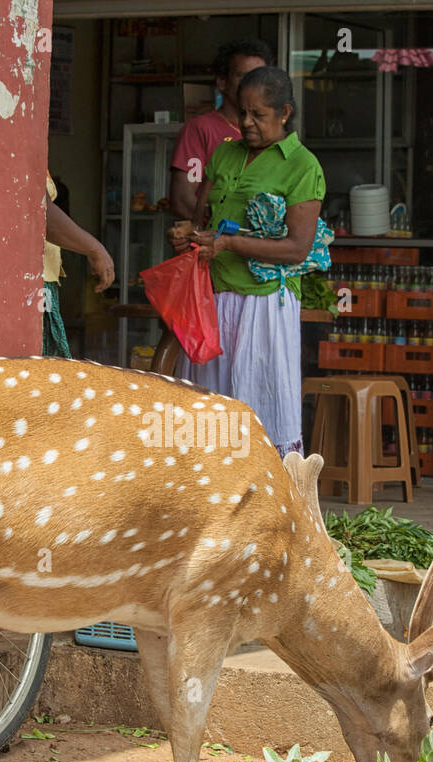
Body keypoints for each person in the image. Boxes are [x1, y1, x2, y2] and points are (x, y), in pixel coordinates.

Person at [167, 66, 326, 457]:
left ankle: (266, 498)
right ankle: (209, 498)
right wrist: (189, 232)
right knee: (210, 404)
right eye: (243, 112)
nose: (247, 123)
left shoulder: (302, 166)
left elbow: (296, 249)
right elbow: (204, 219)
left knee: (258, 402)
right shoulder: (225, 153)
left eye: (259, 115)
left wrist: (229, 244)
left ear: (284, 113)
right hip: (214, 297)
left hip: (266, 300)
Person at [166, 39, 271, 222]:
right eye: (244, 77)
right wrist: (228, 235)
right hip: (216, 246)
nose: (253, 86)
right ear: (222, 82)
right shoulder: (200, 129)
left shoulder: (272, 132)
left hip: (263, 247)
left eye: (260, 78)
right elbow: (182, 201)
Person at [43, 170, 115, 357]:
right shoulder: (23, 149)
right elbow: (40, 212)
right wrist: (95, 249)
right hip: (34, 283)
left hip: (45, 281)